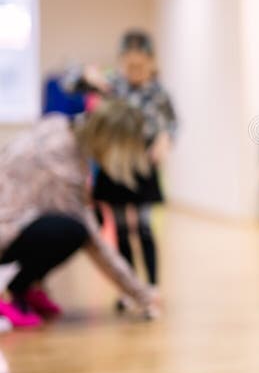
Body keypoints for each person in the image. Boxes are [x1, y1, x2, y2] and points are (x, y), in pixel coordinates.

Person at [0, 102, 158, 328]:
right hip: (4, 234)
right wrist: (141, 294)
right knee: (73, 230)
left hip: (10, 221)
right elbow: (93, 241)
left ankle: (28, 286)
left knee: (67, 222)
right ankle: (10, 291)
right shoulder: (65, 165)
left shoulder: (57, 124)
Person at [62, 30, 176, 303]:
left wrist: (164, 139)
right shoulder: (112, 84)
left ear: (151, 62)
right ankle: (130, 287)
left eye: (140, 66)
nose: (135, 71)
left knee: (145, 227)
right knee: (122, 230)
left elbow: (172, 123)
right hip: (115, 165)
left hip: (143, 165)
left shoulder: (158, 92)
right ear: (121, 62)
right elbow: (69, 84)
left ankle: (152, 286)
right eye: (129, 65)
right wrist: (88, 77)